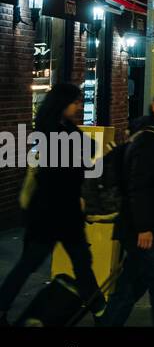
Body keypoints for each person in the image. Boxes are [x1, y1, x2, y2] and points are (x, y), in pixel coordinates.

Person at [0, 84, 102, 326]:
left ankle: (101, 311)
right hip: (49, 213)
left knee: (79, 263)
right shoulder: (50, 132)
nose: (78, 106)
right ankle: (101, 311)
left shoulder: (64, 129)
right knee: (31, 263)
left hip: (64, 212)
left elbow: (88, 152)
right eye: (74, 102)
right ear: (61, 103)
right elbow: (75, 163)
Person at [100, 84, 154, 327]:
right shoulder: (149, 139)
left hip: (148, 226)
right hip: (141, 229)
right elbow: (137, 185)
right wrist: (143, 227)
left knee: (130, 287)